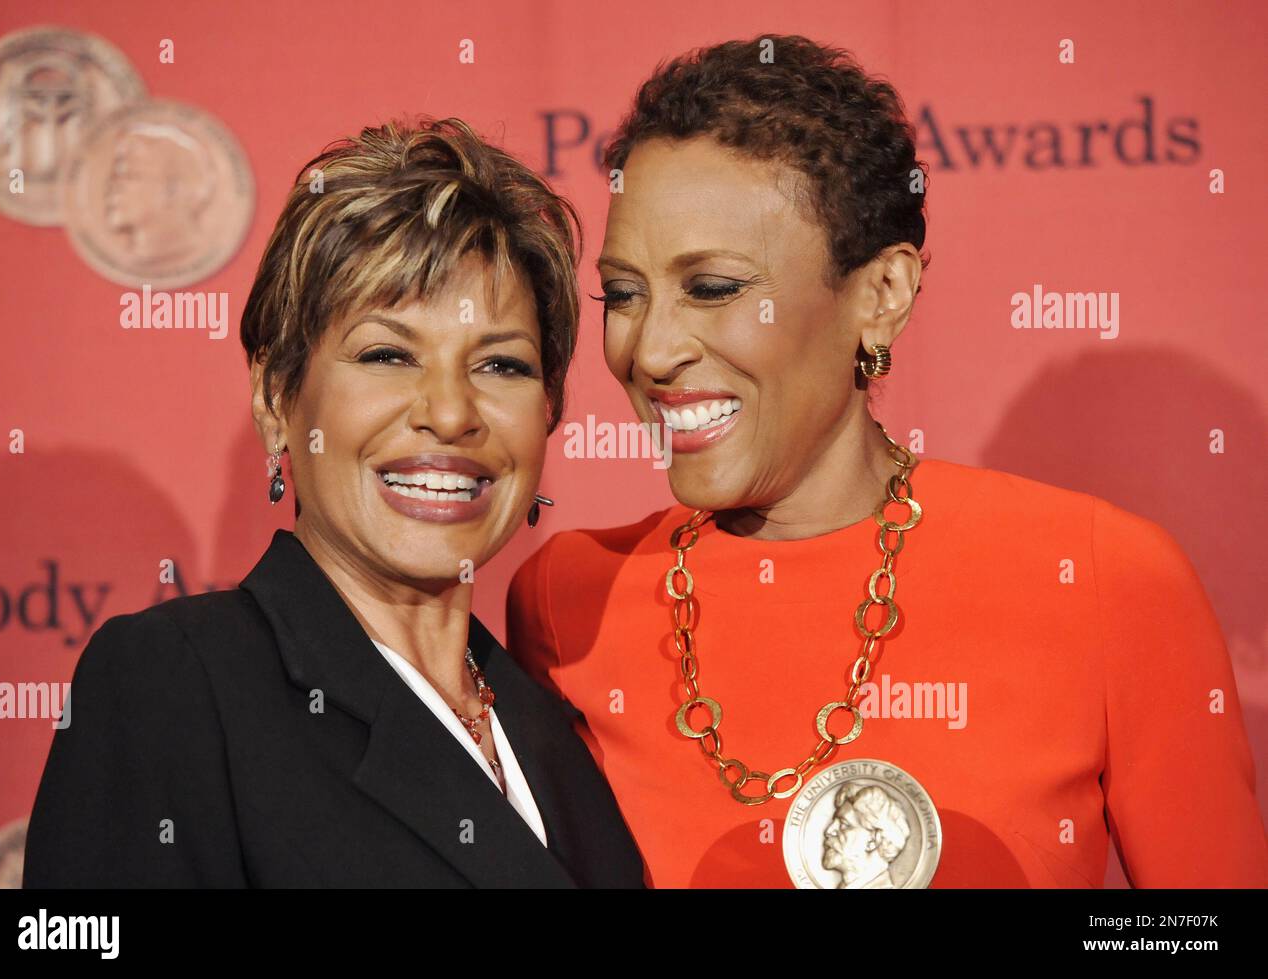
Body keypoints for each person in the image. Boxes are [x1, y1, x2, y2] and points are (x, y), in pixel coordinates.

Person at [506, 35, 1268, 888]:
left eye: (713, 288)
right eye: (626, 293)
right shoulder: (570, 601)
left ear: (881, 295)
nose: (649, 349)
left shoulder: (1105, 580)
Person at [23, 117, 645, 888]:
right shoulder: (178, 686)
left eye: (500, 364)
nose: (450, 413)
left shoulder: (553, 723)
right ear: (278, 398)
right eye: (387, 354)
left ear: (550, 409)